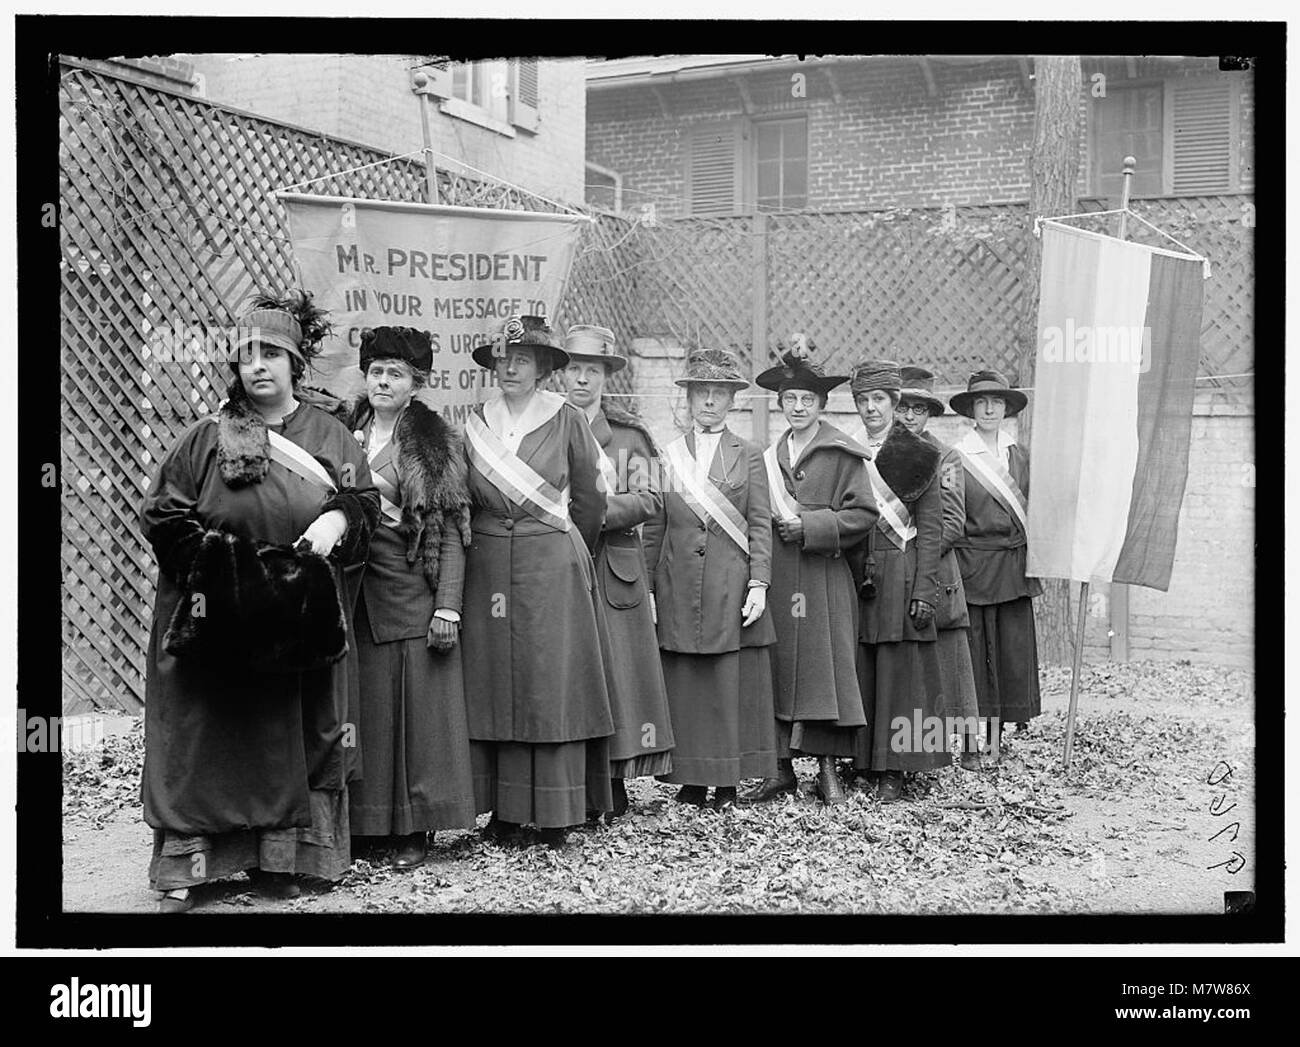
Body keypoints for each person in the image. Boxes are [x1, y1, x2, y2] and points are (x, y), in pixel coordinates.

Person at [139, 290, 380, 912]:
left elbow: (365, 506)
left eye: (272, 354)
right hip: (213, 616)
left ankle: (281, 861)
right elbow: (164, 516)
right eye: (247, 356)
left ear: (295, 364)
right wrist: (229, 574)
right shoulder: (205, 437)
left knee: (290, 734)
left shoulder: (329, 433)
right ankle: (186, 868)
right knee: (203, 738)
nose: (259, 367)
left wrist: (336, 521)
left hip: (293, 620)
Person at [460, 314, 615, 849]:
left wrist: (570, 550)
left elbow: (592, 501)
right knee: (497, 681)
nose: (511, 368)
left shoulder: (567, 417)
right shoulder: (473, 420)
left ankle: (555, 809)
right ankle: (504, 809)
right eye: (504, 359)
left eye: (522, 360)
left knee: (549, 683)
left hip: (550, 559)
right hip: (488, 565)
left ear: (544, 367)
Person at [339, 327, 477, 868]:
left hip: (411, 587)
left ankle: (416, 829)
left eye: (395, 374)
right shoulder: (343, 430)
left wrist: (448, 604)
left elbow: (454, 527)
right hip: (353, 591)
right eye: (376, 371)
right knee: (368, 710)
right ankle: (370, 825)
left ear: (416, 382)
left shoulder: (433, 441)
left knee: (417, 715)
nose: (383, 382)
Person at [741, 338, 877, 806]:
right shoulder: (764, 456)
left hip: (824, 577)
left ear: (822, 404)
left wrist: (812, 525)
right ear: (780, 404)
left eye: (808, 400)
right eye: (790, 400)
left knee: (826, 673)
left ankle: (826, 770)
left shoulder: (843, 453)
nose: (798, 407)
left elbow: (863, 516)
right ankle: (780, 770)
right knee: (776, 668)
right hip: (779, 577)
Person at [643, 348, 777, 811]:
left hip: (729, 580)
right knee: (687, 680)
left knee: (725, 682)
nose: (710, 402)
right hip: (677, 577)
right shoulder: (668, 454)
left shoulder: (751, 455)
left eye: (719, 394)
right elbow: (656, 525)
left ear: (732, 401)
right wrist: (647, 587)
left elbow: (760, 523)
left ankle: (726, 779)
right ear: (690, 397)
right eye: (702, 392)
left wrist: (759, 582)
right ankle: (691, 777)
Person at [560, 324, 675, 821]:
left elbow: (652, 498)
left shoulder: (628, 436)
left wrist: (599, 512)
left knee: (614, 674)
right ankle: (571, 781)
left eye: (592, 370)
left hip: (613, 565)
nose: (581, 379)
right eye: (573, 368)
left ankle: (612, 782)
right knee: (571, 670)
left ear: (606, 376)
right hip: (561, 564)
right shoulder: (547, 425)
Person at [844, 360, 947, 802]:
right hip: (861, 571)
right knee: (865, 669)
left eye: (879, 400)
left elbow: (932, 528)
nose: (871, 408)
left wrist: (925, 589)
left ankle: (897, 769)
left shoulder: (919, 454)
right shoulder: (848, 452)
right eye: (864, 401)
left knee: (901, 673)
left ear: (895, 403)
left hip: (903, 569)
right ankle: (865, 761)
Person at [948, 369, 1042, 761]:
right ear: (971, 408)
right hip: (973, 568)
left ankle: (996, 740)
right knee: (974, 656)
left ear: (1006, 408)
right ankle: (971, 742)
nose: (989, 409)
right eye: (982, 402)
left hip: (1013, 569)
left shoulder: (1020, 456)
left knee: (1009, 655)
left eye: (997, 402)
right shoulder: (955, 456)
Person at [896, 366, 983, 771]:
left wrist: (918, 559)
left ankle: (969, 747)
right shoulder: (880, 453)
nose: (910, 416)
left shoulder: (946, 457)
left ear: (929, 414)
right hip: (894, 572)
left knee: (953, 661)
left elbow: (952, 522)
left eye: (919, 408)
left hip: (936, 572)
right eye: (903, 407)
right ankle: (908, 746)